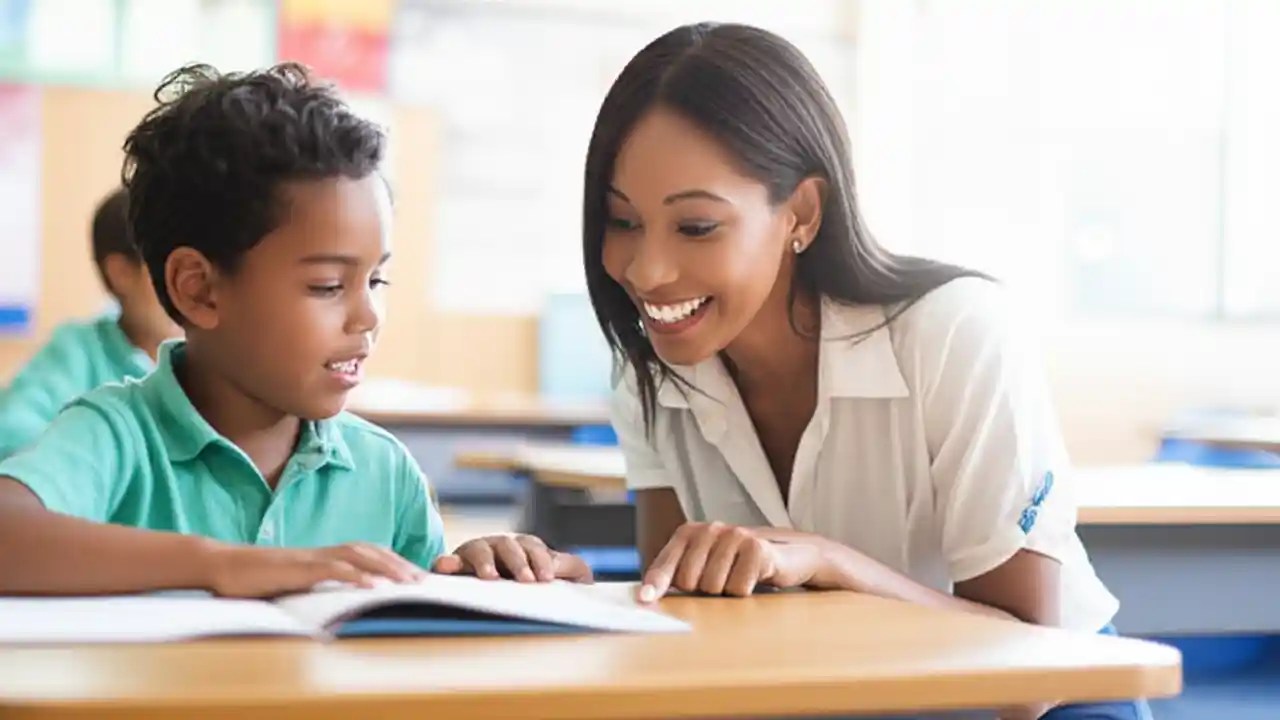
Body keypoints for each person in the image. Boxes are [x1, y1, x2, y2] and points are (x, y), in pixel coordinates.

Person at [583, 23, 1146, 720]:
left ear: (803, 214)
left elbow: (1029, 678)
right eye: (621, 221)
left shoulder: (955, 332)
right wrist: (549, 582)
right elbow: (677, 622)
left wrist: (830, 564)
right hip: (836, 698)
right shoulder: (649, 368)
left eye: (696, 227)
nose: (646, 271)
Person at [0, 63, 588, 597]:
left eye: (375, 282)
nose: (367, 316)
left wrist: (476, 571)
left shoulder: (384, 471)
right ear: (199, 289)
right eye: (328, 286)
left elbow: (414, 628)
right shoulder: (116, 437)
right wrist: (221, 565)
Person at [0, 187, 181, 459]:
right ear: (121, 273)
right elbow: (11, 432)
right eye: (169, 269)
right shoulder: (79, 351)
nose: (188, 290)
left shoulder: (212, 353)